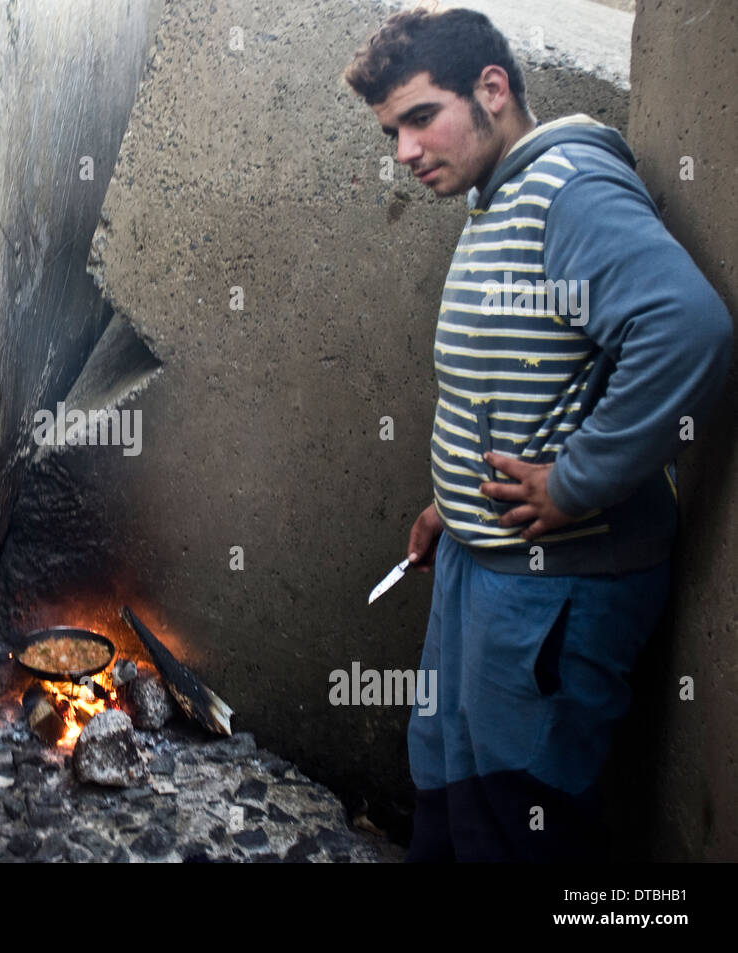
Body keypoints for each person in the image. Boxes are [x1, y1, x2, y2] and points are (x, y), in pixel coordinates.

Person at [343, 9, 732, 861]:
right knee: (449, 781)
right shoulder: (496, 200)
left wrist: (575, 483)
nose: (404, 151)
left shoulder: (570, 188)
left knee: (515, 815)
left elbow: (688, 328)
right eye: (391, 132)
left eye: (420, 117)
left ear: (492, 88)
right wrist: (452, 505)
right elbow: (520, 387)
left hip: (557, 584)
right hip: (484, 564)